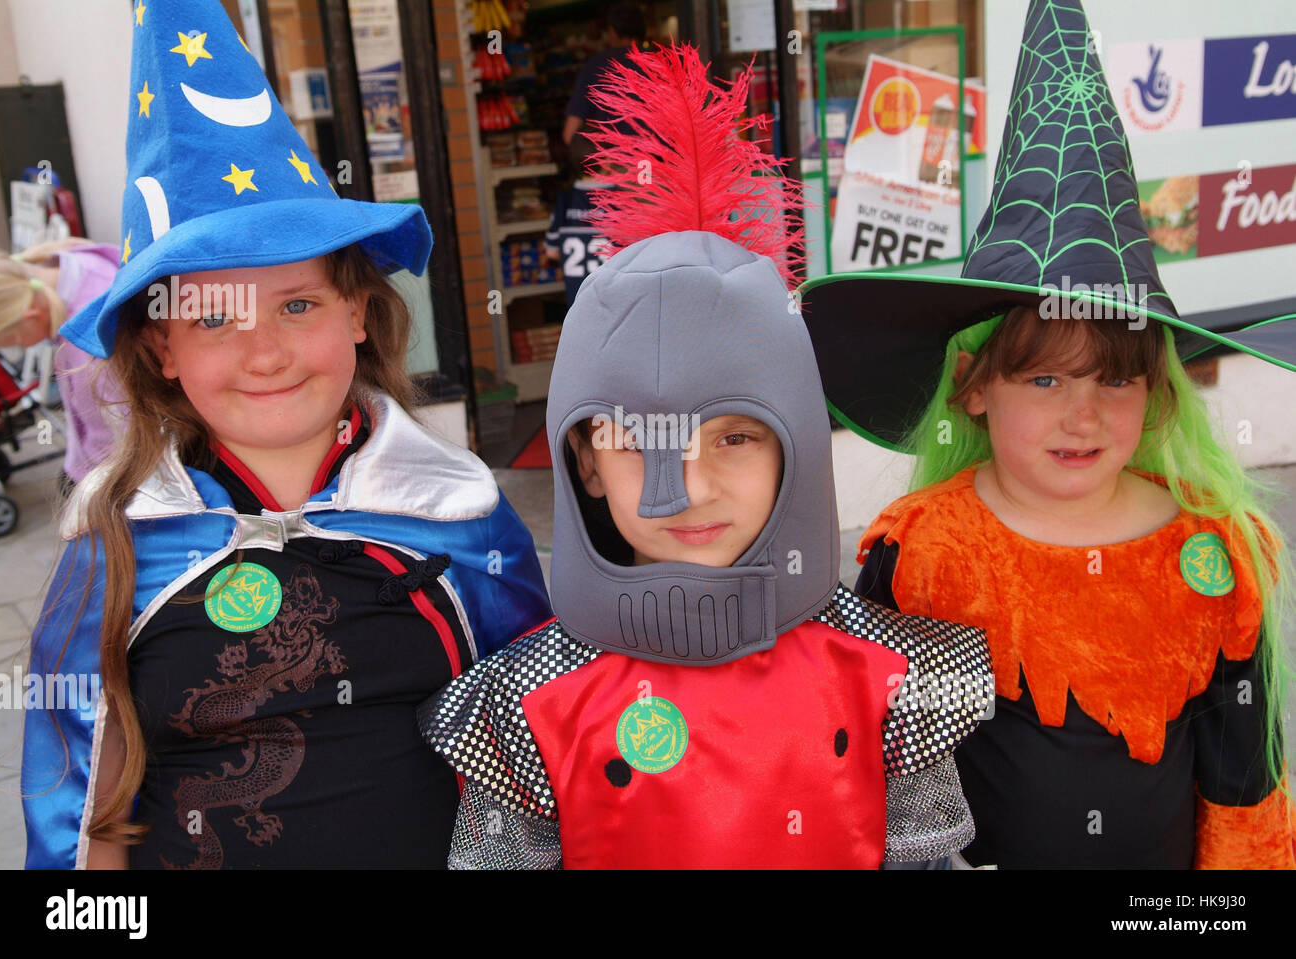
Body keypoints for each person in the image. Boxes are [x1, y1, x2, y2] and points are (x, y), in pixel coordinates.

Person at [421, 44, 992, 869]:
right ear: (584, 460)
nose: (688, 487)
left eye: (733, 436)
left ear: (794, 441)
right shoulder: (524, 708)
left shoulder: (885, 679)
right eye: (640, 441)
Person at [22, 0, 550, 870]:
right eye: (214, 320)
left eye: (297, 304)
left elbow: (540, 743)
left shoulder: (464, 518)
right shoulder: (111, 544)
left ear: (356, 313)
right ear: (161, 348)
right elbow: (76, 810)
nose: (264, 352)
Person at [803, 0, 1296, 868]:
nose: (1084, 414)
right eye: (1043, 377)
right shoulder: (926, 558)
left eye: (1116, 377)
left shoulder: (1214, 555)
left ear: (1161, 394)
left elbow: (1244, 786)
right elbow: (887, 776)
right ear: (975, 388)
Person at [0, 239, 123, 489]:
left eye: (14, 340)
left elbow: (116, 432)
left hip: (108, 472)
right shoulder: (69, 264)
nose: (23, 346)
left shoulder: (87, 349)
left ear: (31, 316)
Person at [562, 1, 649, 146]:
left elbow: (569, 134)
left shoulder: (596, 65)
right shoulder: (662, 63)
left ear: (613, 31)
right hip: (660, 162)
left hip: (614, 162)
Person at [543, 135, 612, 305]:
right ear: (604, 160)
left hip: (577, 301)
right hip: (615, 299)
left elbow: (551, 252)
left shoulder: (565, 200)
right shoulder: (619, 198)